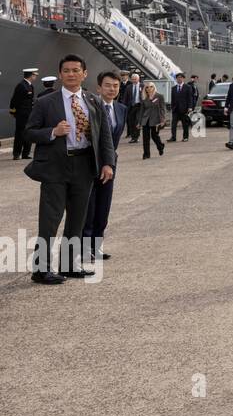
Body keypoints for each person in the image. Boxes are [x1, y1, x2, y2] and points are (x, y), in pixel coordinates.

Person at [23, 54, 115, 283]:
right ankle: (40, 269)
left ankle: (68, 264)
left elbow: (104, 136)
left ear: (84, 74)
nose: (71, 74)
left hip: (84, 166)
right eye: (66, 70)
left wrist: (107, 162)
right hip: (55, 166)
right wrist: (53, 132)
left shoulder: (93, 101)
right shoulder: (46, 102)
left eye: (76, 70)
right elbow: (29, 132)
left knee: (78, 218)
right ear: (61, 74)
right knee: (50, 219)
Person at [83, 70, 126, 263]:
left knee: (103, 208)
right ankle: (84, 250)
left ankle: (96, 247)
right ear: (99, 87)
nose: (112, 89)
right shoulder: (89, 107)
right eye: (108, 85)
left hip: (110, 165)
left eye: (116, 86)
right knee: (88, 209)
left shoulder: (121, 109)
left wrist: (110, 162)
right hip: (90, 164)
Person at [9, 67, 37, 159]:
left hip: (29, 114)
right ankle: (16, 154)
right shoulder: (21, 85)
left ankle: (26, 153)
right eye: (34, 75)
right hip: (21, 114)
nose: (35, 77)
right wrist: (13, 112)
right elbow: (15, 100)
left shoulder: (30, 86)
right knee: (20, 134)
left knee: (28, 133)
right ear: (31, 75)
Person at [138, 82, 167, 159]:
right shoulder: (144, 98)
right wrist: (139, 122)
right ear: (145, 89)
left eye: (151, 86)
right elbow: (141, 111)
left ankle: (160, 146)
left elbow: (162, 109)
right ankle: (146, 154)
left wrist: (162, 120)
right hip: (146, 119)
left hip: (156, 119)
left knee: (154, 136)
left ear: (154, 87)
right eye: (147, 87)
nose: (149, 88)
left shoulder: (159, 96)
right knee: (145, 138)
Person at [169, 72, 193, 142]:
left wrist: (190, 107)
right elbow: (172, 99)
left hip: (184, 109)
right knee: (173, 124)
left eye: (180, 78)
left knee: (184, 124)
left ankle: (185, 137)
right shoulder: (173, 88)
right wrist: (172, 107)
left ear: (183, 78)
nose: (179, 79)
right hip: (175, 109)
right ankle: (173, 137)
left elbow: (190, 98)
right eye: (177, 78)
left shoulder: (188, 87)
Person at [122, 72, 143, 142]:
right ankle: (133, 136)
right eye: (133, 79)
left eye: (135, 79)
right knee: (131, 122)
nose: (134, 80)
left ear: (138, 79)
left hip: (139, 106)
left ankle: (135, 137)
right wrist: (124, 106)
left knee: (137, 121)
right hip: (131, 106)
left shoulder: (142, 86)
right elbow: (125, 98)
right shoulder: (129, 87)